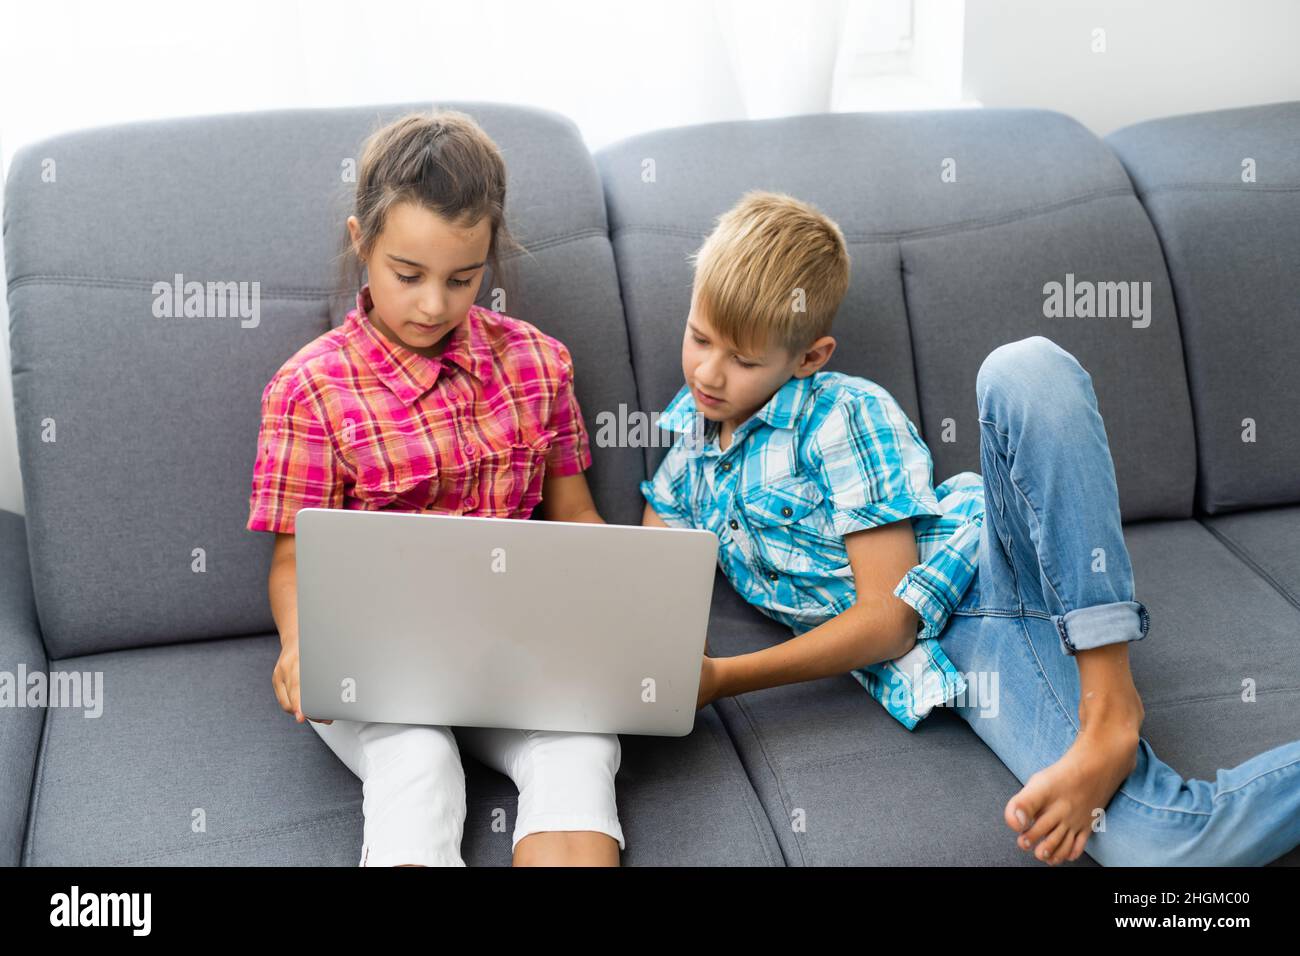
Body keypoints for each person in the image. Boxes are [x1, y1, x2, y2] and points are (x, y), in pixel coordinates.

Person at [640, 188, 1300, 865]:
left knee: (1024, 369)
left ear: (809, 357)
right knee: (1157, 849)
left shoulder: (845, 416)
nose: (708, 372)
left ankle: (1111, 707)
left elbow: (887, 619)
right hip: (968, 655)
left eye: (744, 360)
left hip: (997, 563)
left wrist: (722, 679)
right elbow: (646, 567)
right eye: (698, 338)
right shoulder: (688, 440)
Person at [247, 109, 623, 867]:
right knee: (417, 760)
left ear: (490, 256)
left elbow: (575, 514)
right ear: (362, 242)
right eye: (407, 275)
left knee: (579, 744)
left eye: (462, 279)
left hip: (510, 646)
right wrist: (300, 642)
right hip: (374, 656)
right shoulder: (309, 388)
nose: (432, 305)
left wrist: (617, 610)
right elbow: (294, 561)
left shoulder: (539, 364)